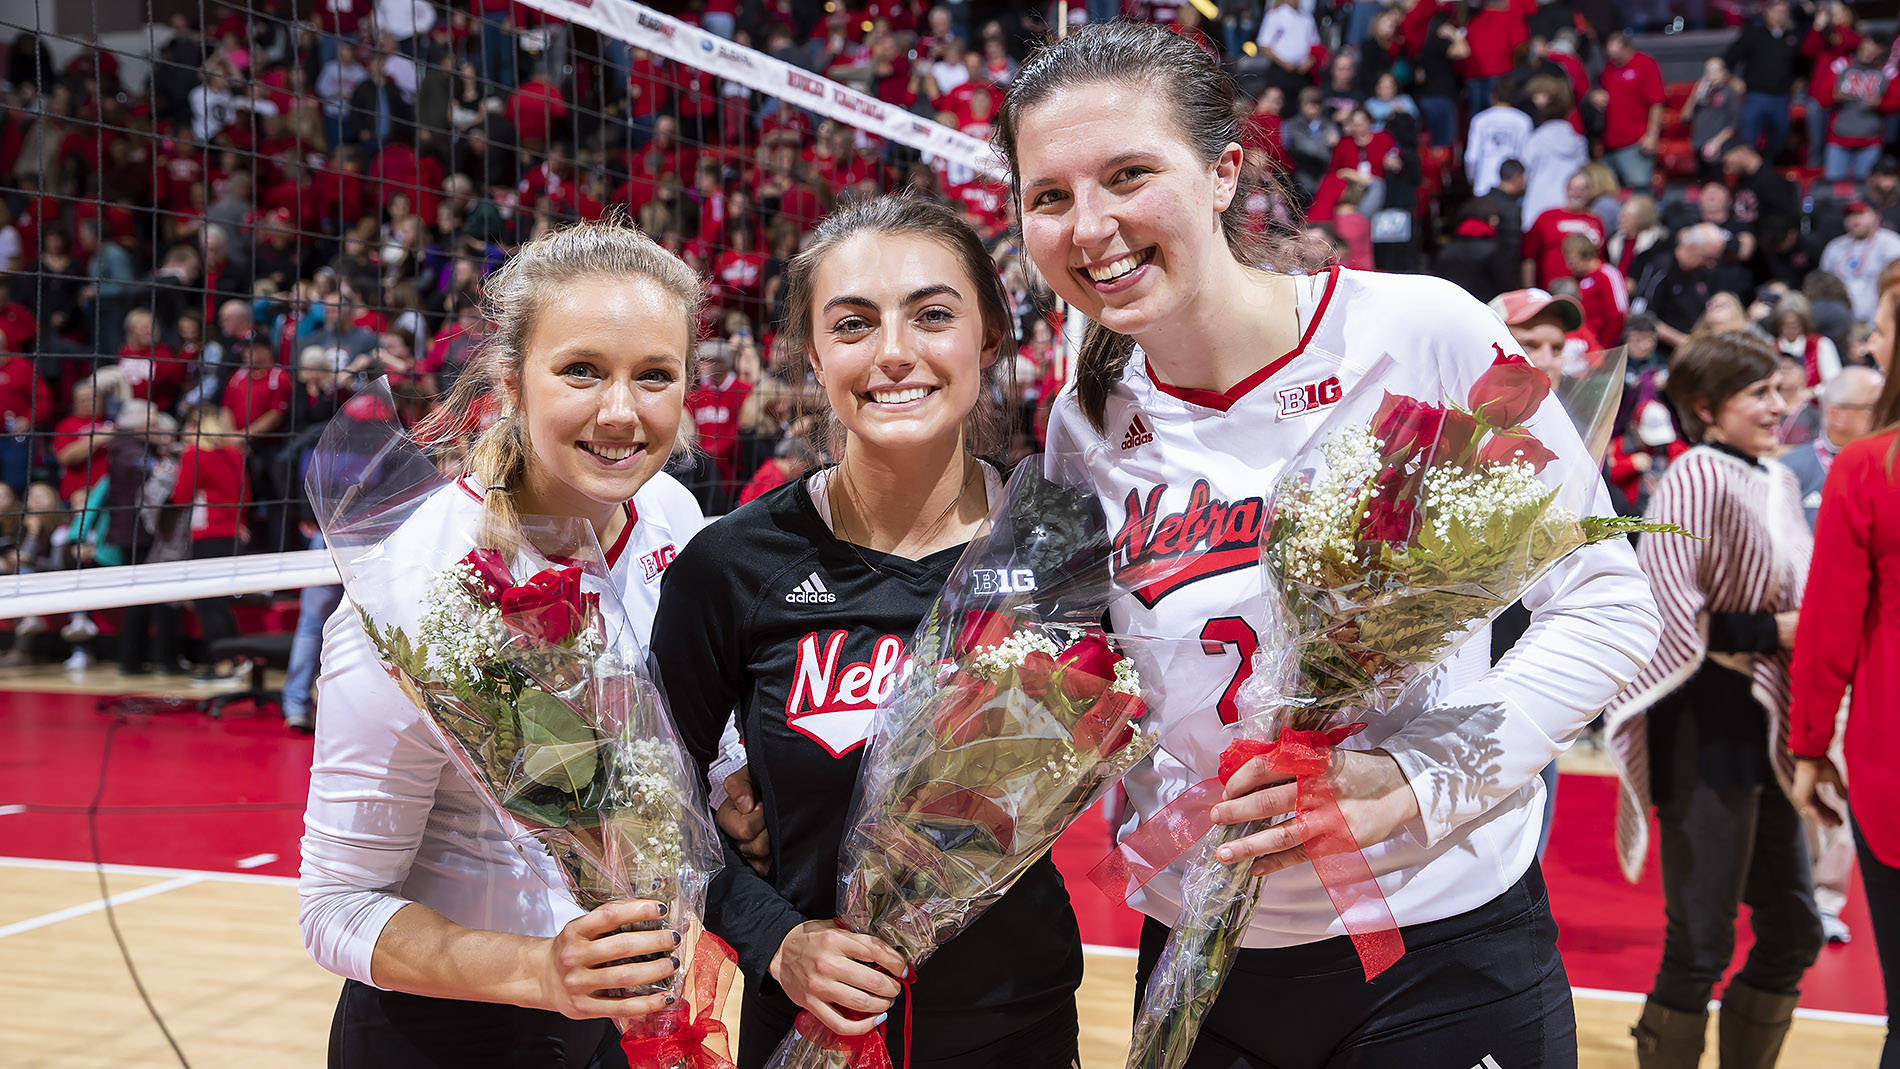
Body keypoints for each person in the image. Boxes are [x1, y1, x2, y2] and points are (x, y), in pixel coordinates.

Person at [999, 22, 1660, 1066]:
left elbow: (1613, 604)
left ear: (1223, 173)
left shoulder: (1427, 327)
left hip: (1439, 949)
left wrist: (1417, 777)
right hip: (1198, 952)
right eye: (1048, 196)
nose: (1091, 226)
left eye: (1129, 174)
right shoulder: (1083, 422)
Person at [299, 223, 763, 1067]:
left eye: (654, 375)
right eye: (582, 370)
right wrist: (542, 967)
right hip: (450, 1030)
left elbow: (689, 709)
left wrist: (730, 775)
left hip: (628, 1007)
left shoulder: (674, 516)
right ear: (512, 382)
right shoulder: (414, 595)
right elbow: (335, 907)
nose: (622, 412)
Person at [651, 196, 1084, 1069]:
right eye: (853, 324)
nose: (894, 352)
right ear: (814, 356)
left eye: (931, 314)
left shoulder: (1066, 542)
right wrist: (776, 938)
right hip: (814, 1029)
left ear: (990, 338)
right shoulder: (732, 564)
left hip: (1021, 1027)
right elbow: (651, 807)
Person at [1603, 331, 1825, 1067]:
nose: (1778, 404)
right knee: (1701, 943)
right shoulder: (1695, 472)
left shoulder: (1778, 479)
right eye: (1757, 391)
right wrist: (1782, 628)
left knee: (1795, 929)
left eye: (1779, 389)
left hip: (1765, 723)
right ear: (1706, 405)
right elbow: (1669, 612)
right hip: (1702, 722)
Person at [1788, 280, 1900, 1069]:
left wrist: (1807, 745)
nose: (1873, 343)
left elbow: (1828, 630)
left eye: (1885, 329)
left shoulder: (1868, 469)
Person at [1819, 202, 1900, 324]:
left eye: (1860, 214)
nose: (1854, 220)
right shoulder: (1834, 247)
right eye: (1850, 215)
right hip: (1843, 322)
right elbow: (1823, 284)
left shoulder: (1891, 243)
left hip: (1880, 319)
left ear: (1876, 216)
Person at [1567, 232, 1629, 345]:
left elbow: (1618, 315)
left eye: (1571, 261)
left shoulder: (1608, 274)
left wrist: (1605, 349)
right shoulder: (1582, 279)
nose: (1568, 266)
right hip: (1588, 345)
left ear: (1583, 255)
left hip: (1603, 346)